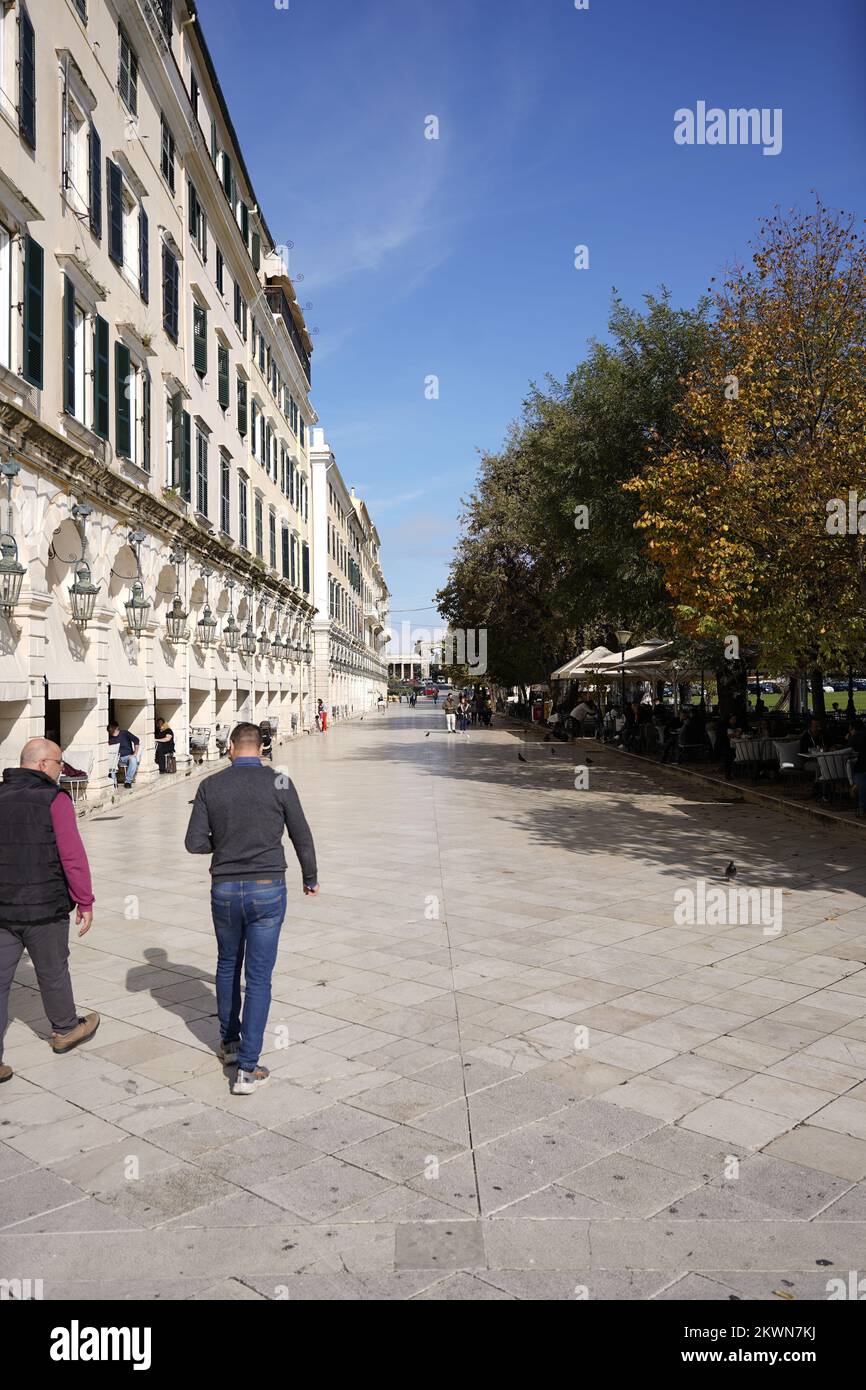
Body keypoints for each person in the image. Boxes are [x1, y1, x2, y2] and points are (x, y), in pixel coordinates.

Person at [185, 722, 318, 1095]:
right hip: (267, 888)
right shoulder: (279, 782)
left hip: (225, 887)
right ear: (261, 749)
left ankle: (228, 1043)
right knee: (259, 977)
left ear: (231, 747)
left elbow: (194, 843)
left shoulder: (211, 785)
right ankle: (247, 1069)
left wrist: (225, 845)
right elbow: (301, 833)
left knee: (228, 963)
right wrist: (310, 877)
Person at [0, 739, 99, 1082]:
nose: (62, 769)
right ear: (43, 765)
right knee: (53, 971)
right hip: (45, 907)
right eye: (59, 763)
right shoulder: (55, 800)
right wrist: (84, 901)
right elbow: (72, 857)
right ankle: (65, 1029)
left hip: (3, 909)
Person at [108, 722, 140, 788]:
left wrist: (135, 753)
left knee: (134, 760)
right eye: (109, 729)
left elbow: (136, 740)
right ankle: (114, 781)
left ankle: (128, 781)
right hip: (115, 757)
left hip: (126, 757)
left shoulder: (124, 733)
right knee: (111, 761)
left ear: (117, 727)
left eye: (111, 728)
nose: (110, 730)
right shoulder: (109, 737)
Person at [847, 718, 866, 816]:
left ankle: (862, 807)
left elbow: (847, 752)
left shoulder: (854, 738)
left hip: (859, 768)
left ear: (852, 729)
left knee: (861, 781)